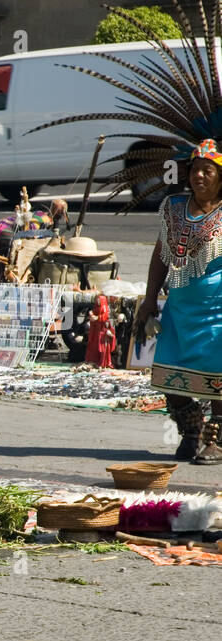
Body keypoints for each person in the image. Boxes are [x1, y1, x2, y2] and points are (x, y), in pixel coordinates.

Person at [136, 140, 222, 464]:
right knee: (170, 373)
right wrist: (148, 299)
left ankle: (219, 441)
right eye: (195, 169)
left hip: (217, 313)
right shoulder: (174, 208)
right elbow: (161, 255)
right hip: (178, 309)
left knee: (218, 377)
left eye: (208, 170)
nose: (199, 175)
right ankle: (191, 431)